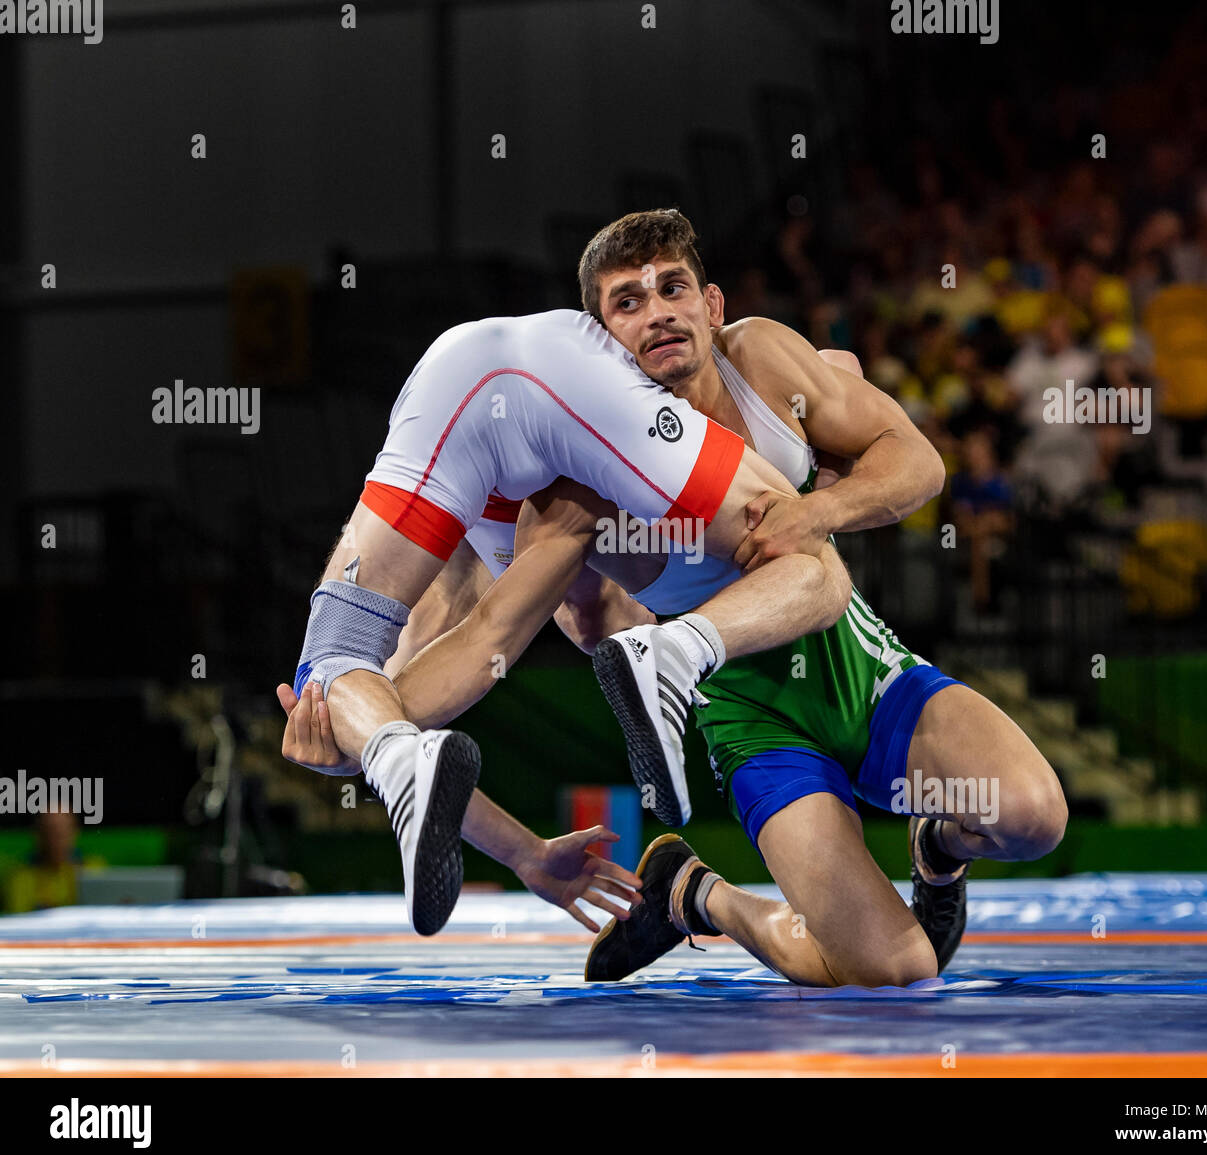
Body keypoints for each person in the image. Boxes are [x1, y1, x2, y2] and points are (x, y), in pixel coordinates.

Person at [285, 210, 1066, 986]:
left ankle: (937, 850)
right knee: (893, 968)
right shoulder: (577, 486)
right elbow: (505, 632)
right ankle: (695, 894)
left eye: (673, 289)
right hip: (748, 714)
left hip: (861, 666)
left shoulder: (764, 359)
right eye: (627, 303)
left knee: (1035, 818)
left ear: (713, 304)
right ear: (601, 344)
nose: (657, 313)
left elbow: (918, 464)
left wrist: (820, 507)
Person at [285, 306, 853, 936]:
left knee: (341, 670)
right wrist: (828, 482)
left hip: (452, 376)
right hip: (561, 393)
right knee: (816, 567)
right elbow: (486, 647)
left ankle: (380, 755)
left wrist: (365, 749)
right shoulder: (596, 512)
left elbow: (416, 743)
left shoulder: (534, 542)